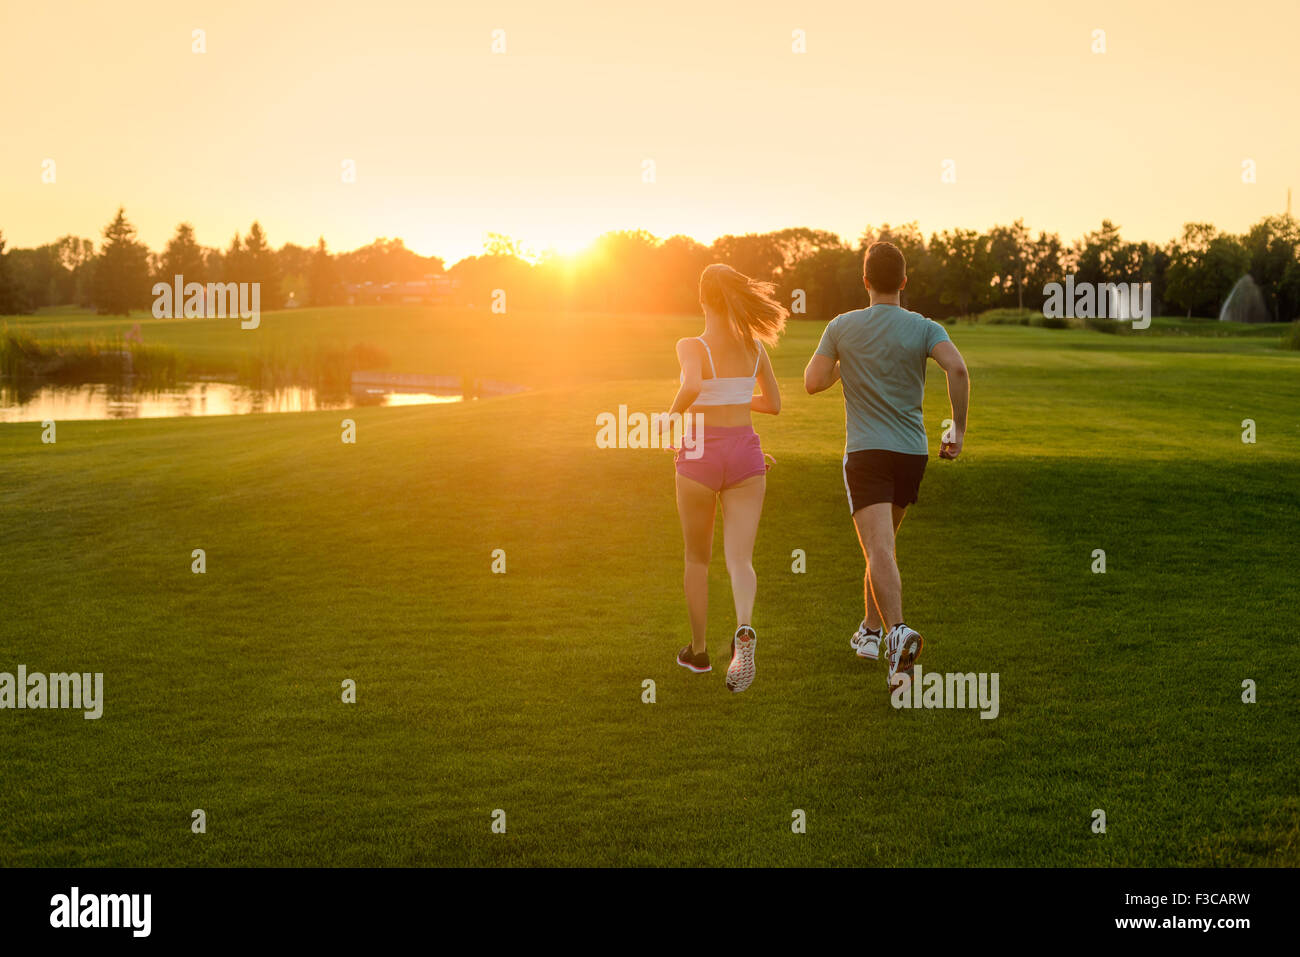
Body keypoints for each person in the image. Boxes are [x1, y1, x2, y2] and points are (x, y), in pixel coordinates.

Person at [803, 241, 970, 690]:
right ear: (903, 281)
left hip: (866, 453)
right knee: (883, 548)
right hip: (911, 455)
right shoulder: (924, 327)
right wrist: (957, 429)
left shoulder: (842, 326)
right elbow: (958, 370)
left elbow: (813, 382)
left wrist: (844, 360)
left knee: (877, 550)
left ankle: (896, 633)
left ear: (864, 281)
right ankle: (870, 632)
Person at [665, 263, 787, 693]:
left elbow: (694, 385)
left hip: (699, 453)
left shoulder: (690, 345)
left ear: (701, 299)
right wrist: (735, 398)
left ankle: (698, 652)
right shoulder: (754, 346)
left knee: (697, 559)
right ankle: (744, 628)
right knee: (740, 560)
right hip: (746, 454)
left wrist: (670, 417)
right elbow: (773, 404)